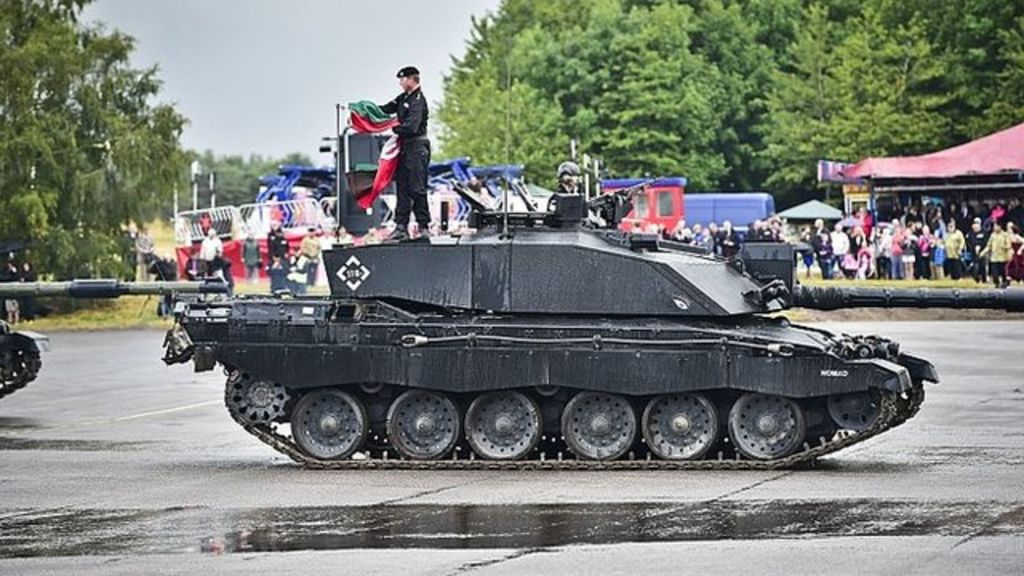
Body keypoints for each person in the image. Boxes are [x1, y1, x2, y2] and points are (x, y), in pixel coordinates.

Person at [379, 66, 430, 242]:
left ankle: (423, 226)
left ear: (411, 79)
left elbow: (411, 126)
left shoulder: (418, 100)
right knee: (402, 188)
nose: (400, 83)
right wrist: (367, 111)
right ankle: (401, 226)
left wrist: (392, 128)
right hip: (405, 147)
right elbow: (387, 109)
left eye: (402, 80)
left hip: (417, 147)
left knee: (417, 188)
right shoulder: (404, 98)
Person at [981, 221, 1013, 288]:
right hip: (994, 258)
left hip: (1003, 258)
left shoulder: (1005, 235)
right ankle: (997, 284)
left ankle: (1005, 283)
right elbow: (988, 246)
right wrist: (982, 253)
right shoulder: (992, 235)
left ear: (1000, 227)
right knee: (995, 273)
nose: (994, 228)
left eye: (996, 226)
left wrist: (1004, 247)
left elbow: (1009, 245)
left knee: (1003, 273)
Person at [966, 218, 989, 283]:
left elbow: (986, 242)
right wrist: (974, 247)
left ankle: (984, 280)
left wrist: (980, 247)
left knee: (983, 267)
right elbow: (969, 243)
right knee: (975, 267)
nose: (975, 226)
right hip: (974, 254)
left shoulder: (984, 233)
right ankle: (976, 280)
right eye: (974, 224)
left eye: (977, 224)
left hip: (982, 253)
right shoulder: (970, 234)